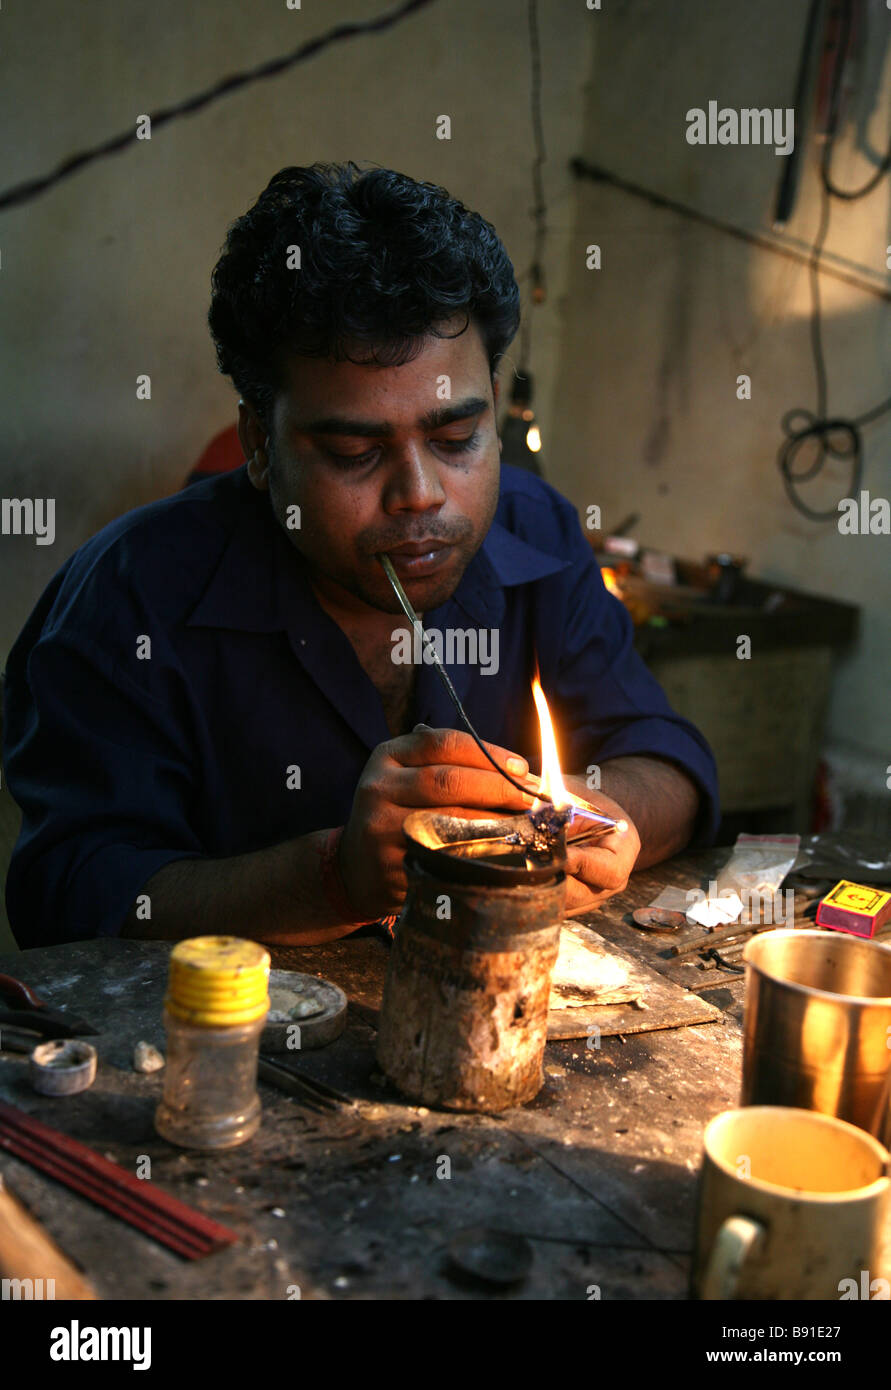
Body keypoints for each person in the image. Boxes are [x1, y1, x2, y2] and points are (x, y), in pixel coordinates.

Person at [2, 162, 719, 949]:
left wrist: (606, 818)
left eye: (456, 440)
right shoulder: (130, 596)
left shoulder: (536, 532)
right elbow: (70, 896)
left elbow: (669, 759)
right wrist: (333, 880)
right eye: (352, 450)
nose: (420, 495)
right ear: (257, 445)